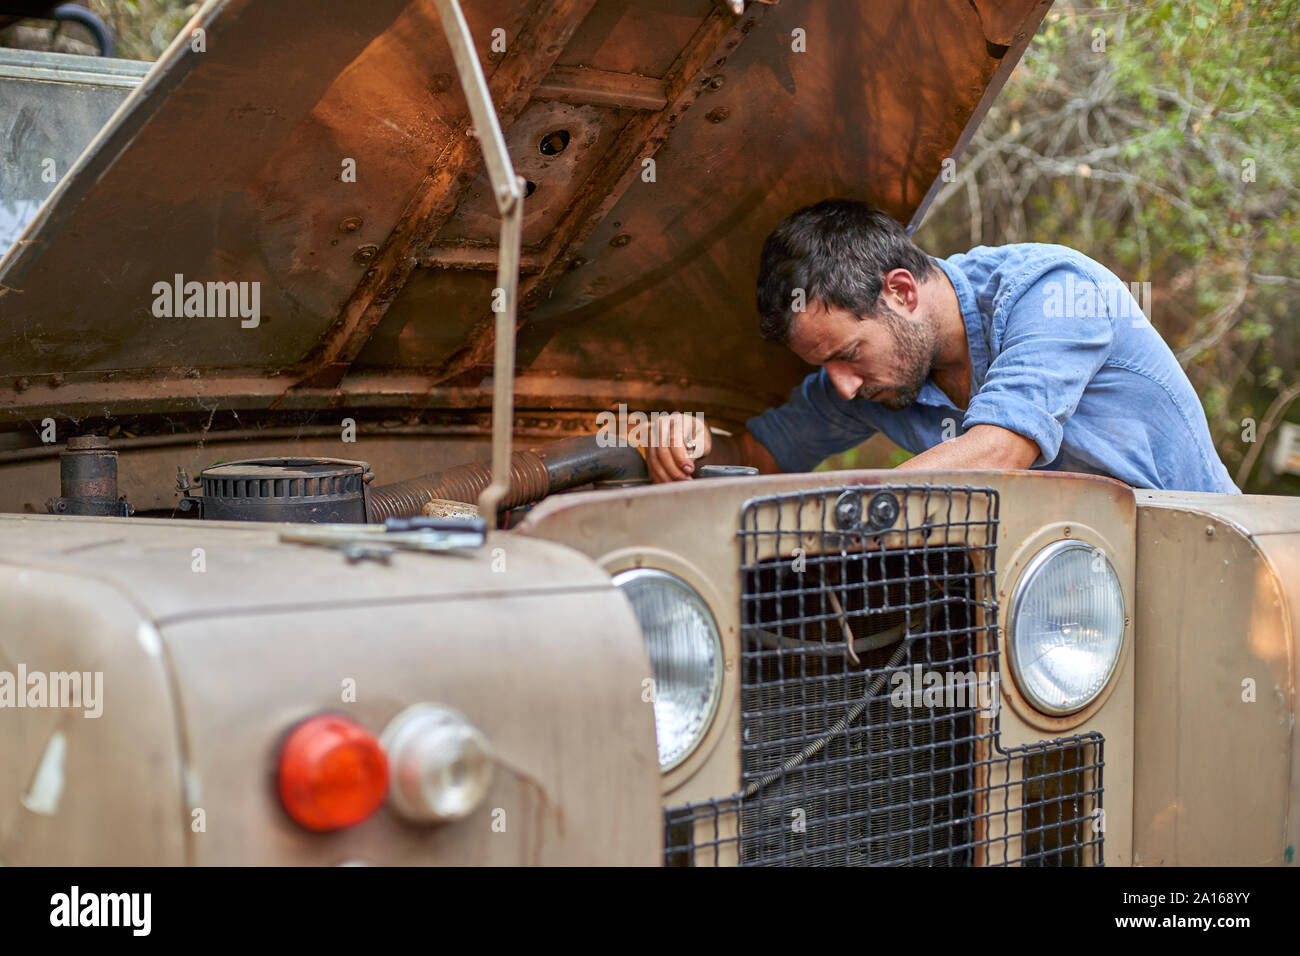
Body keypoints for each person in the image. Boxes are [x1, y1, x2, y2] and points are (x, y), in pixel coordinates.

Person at [643, 198, 1239, 494]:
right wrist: (687, 444)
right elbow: (759, 453)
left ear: (901, 292)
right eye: (824, 365)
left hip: (1203, 568)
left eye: (847, 353)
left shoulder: (1056, 292)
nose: (841, 384)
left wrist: (850, 510)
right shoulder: (872, 381)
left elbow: (999, 453)